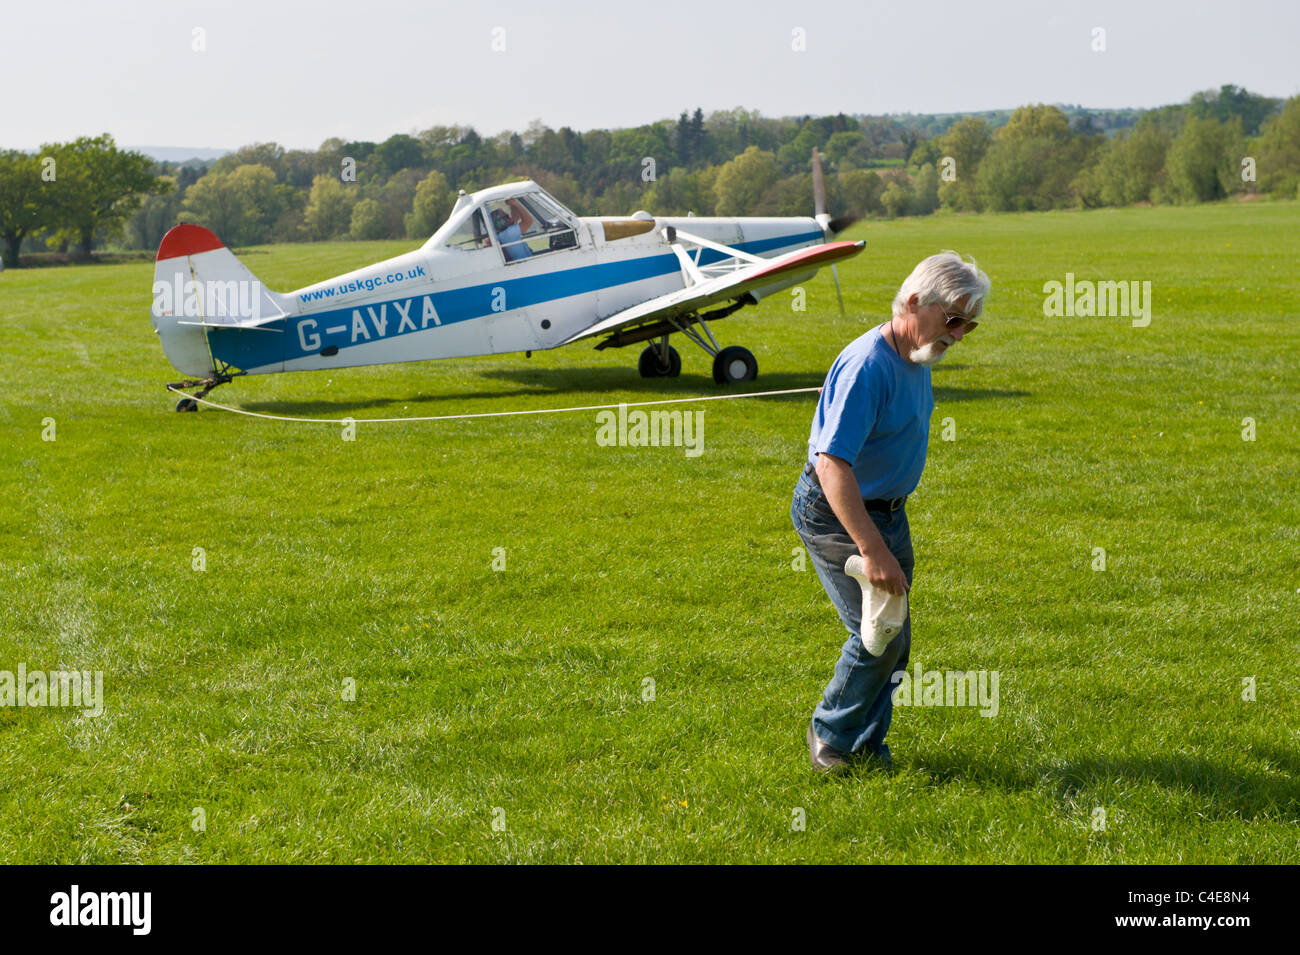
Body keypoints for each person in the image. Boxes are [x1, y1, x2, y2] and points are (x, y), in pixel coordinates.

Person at [792, 251, 990, 775]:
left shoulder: (917, 353)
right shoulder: (869, 365)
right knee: (875, 636)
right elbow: (833, 464)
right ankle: (830, 734)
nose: (960, 334)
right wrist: (872, 550)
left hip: (886, 512)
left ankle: (866, 748)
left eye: (969, 325)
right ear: (914, 302)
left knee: (894, 641)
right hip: (839, 512)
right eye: (953, 321)